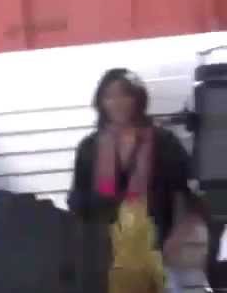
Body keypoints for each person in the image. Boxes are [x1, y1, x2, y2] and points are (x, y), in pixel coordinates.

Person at [68, 68, 194, 249]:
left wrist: (179, 236)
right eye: (109, 97)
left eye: (124, 95)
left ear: (138, 99)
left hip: (159, 242)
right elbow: (78, 198)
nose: (117, 103)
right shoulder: (89, 147)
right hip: (105, 246)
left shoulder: (164, 141)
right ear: (101, 102)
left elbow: (181, 192)